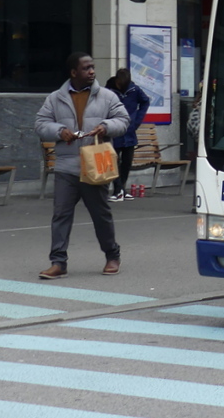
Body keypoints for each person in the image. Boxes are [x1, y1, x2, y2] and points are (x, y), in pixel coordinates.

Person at [34, 52, 129, 278]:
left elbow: (124, 120)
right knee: (61, 216)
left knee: (101, 214)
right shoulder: (56, 98)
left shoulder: (106, 96)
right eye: (86, 68)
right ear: (74, 72)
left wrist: (106, 127)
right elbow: (40, 123)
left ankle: (112, 255)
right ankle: (58, 262)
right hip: (66, 166)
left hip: (94, 166)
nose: (92, 71)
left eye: (93, 67)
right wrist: (59, 131)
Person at [107, 67, 150, 201]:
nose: (121, 86)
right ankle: (118, 189)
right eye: (120, 83)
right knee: (114, 161)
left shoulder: (134, 90)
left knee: (126, 162)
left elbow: (145, 101)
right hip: (115, 129)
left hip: (130, 131)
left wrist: (137, 121)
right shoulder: (109, 91)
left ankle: (121, 189)